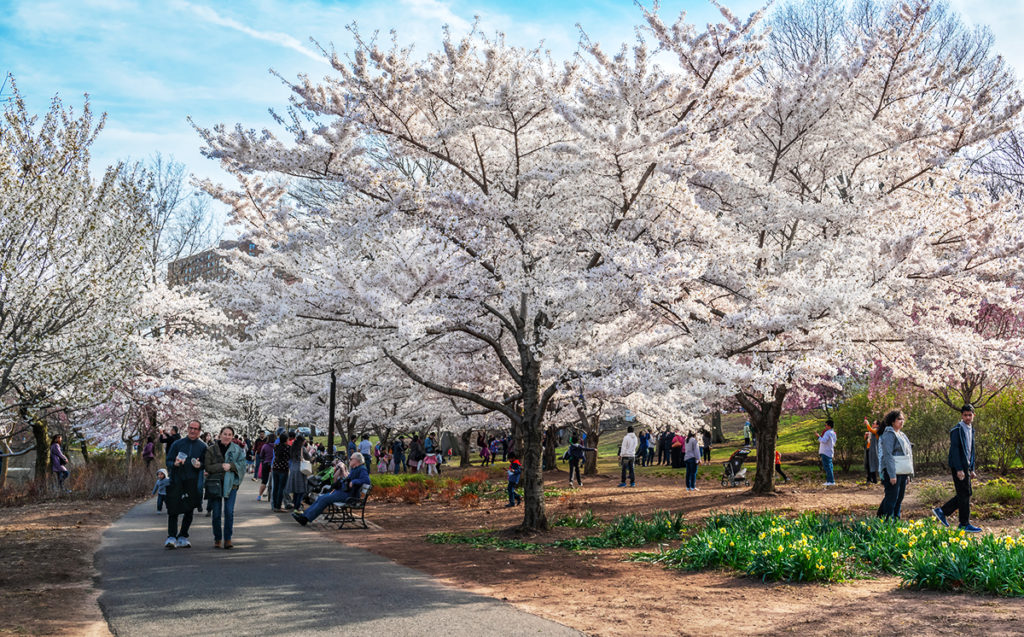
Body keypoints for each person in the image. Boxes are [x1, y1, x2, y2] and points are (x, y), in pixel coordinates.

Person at [933, 404, 982, 532]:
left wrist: (972, 469)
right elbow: (954, 450)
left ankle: (943, 512)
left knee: (965, 493)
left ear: (973, 416)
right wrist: (959, 469)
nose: (967, 417)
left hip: (966, 466)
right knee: (965, 493)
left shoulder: (971, 429)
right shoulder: (957, 430)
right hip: (958, 466)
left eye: (969, 415)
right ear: (962, 415)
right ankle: (963, 523)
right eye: (965, 415)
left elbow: (971, 451)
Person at [293, 452, 371, 526]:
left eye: (351, 459)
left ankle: (305, 519)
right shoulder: (355, 468)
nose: (349, 460)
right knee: (321, 498)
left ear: (357, 460)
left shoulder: (362, 469)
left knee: (324, 499)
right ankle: (304, 516)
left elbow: (367, 480)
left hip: (349, 495)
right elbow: (346, 478)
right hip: (343, 491)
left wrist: (354, 481)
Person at [165, 420, 207, 549]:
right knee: (173, 509)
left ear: (199, 431)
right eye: (191, 428)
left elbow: (206, 464)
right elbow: (168, 461)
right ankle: (171, 537)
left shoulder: (203, 447)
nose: (193, 431)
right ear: (187, 429)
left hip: (192, 481)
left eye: (196, 429)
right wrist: (175, 464)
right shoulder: (177, 444)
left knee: (189, 510)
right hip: (176, 479)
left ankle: (183, 536)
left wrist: (200, 465)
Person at [204, 426, 245, 548]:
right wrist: (222, 466)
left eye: (230, 434)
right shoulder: (211, 449)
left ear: (232, 436)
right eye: (225, 434)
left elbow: (242, 465)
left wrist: (231, 466)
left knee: (229, 511)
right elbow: (208, 466)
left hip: (231, 484)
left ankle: (228, 538)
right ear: (220, 435)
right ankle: (217, 538)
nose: (227, 436)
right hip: (215, 484)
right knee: (216, 513)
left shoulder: (237, 450)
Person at [877, 410, 913, 520]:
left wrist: (907, 474)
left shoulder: (901, 434)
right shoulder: (889, 434)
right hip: (892, 471)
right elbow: (888, 455)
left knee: (899, 497)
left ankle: (896, 520)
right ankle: (888, 521)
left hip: (902, 471)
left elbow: (907, 454)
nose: (901, 421)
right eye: (899, 419)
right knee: (892, 497)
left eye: (902, 419)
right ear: (892, 421)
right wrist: (892, 474)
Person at [286, 433, 310, 512]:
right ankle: (297, 506)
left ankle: (295, 503)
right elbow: (308, 457)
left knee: (295, 488)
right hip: (301, 469)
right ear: (302, 441)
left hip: (293, 469)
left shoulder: (292, 447)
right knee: (301, 489)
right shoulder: (302, 448)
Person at [270, 431, 290, 512]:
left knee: (276, 488)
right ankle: (278, 506)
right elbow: (289, 457)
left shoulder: (276, 446)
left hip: (275, 468)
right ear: (286, 440)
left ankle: (274, 506)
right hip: (283, 469)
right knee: (281, 488)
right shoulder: (288, 448)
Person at [816, 419, 837, 486]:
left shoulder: (827, 433)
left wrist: (818, 437)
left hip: (825, 452)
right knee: (830, 466)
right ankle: (830, 480)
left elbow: (824, 440)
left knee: (827, 467)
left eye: (826, 425)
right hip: (830, 451)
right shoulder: (833, 433)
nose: (825, 426)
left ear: (829, 426)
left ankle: (830, 481)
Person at [257, 435, 274, 501]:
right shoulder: (276, 446)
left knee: (264, 481)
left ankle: (259, 496)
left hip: (266, 464)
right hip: (274, 465)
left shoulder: (265, 446)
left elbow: (261, 455)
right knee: (274, 481)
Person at [864, 418, 880, 484]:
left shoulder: (877, 430)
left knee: (872, 464)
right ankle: (869, 479)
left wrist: (867, 423)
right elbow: (866, 439)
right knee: (868, 464)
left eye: (873, 423)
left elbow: (870, 429)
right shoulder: (871, 432)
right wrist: (865, 435)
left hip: (873, 450)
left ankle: (874, 479)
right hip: (868, 449)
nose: (872, 424)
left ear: (877, 425)